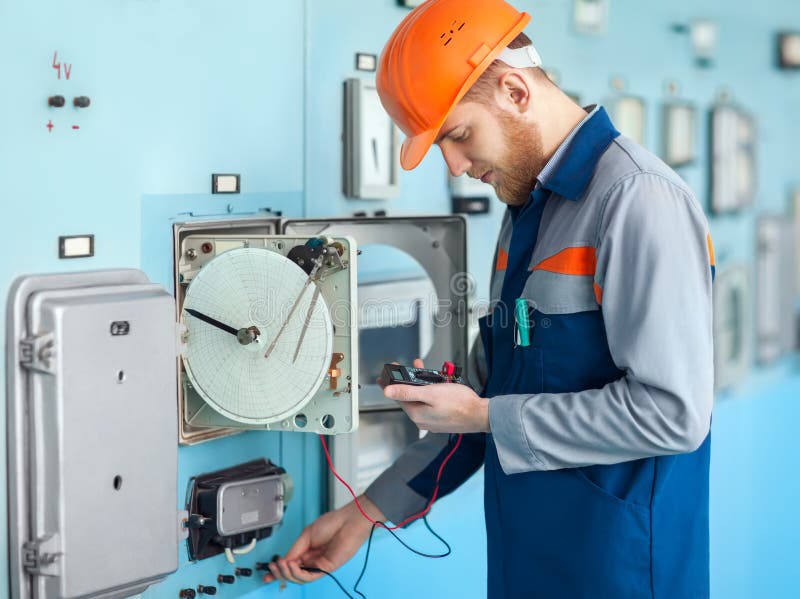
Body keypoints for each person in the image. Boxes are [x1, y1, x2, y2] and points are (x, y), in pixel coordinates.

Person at [264, 0, 715, 596]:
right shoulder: (528, 207)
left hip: (620, 571)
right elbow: (487, 393)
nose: (453, 164)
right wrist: (363, 515)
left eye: (458, 135)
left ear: (515, 92)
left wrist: (480, 414)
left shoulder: (638, 199)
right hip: (526, 565)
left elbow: (672, 414)